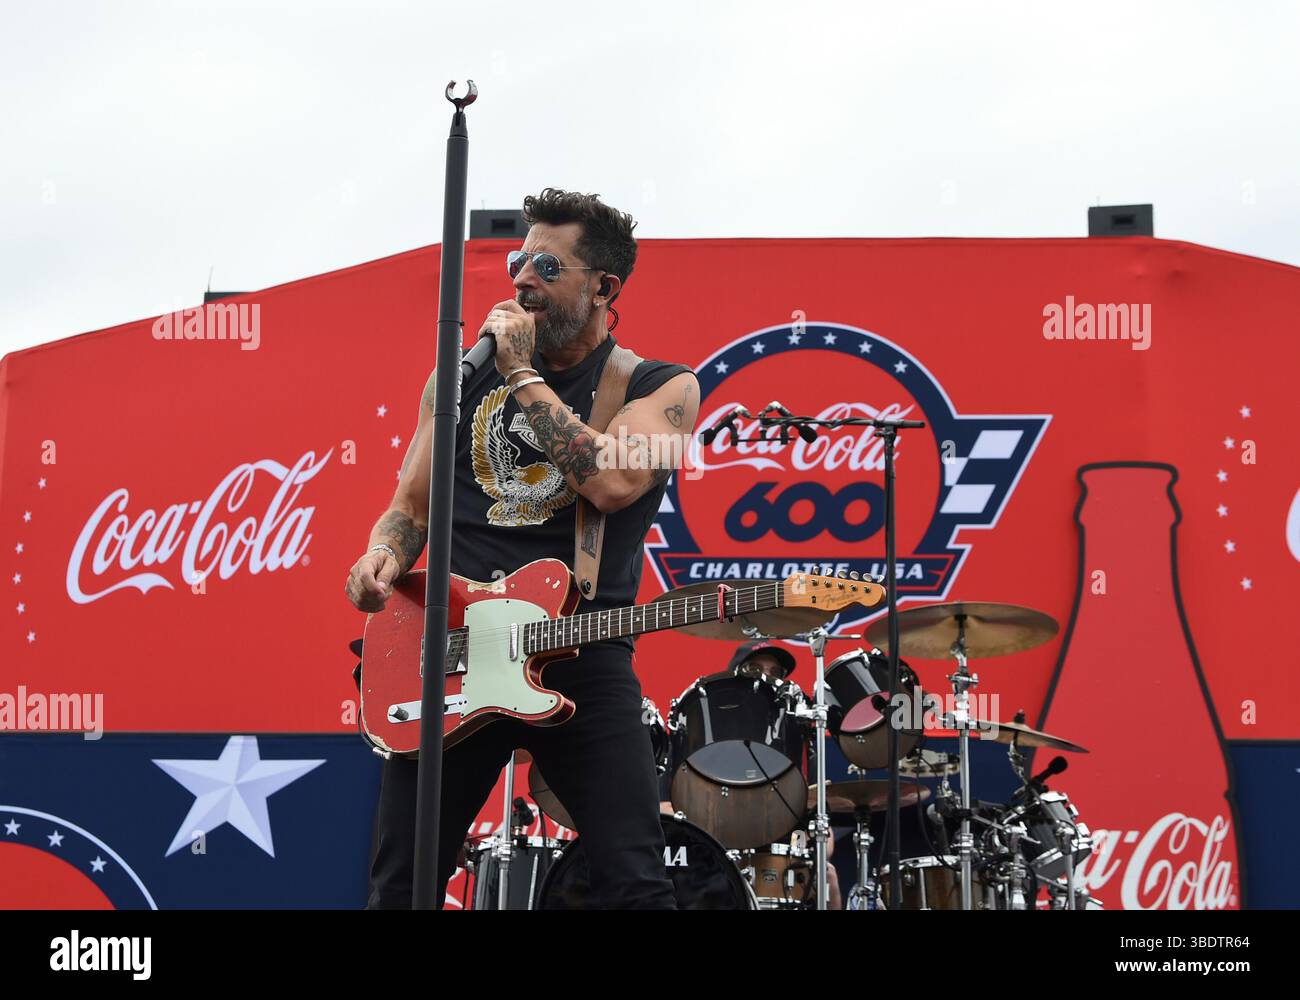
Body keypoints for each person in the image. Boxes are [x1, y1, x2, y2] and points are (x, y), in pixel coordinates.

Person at [345, 188, 700, 909]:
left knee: (637, 883)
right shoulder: (458, 380)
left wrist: (521, 375)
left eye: (546, 265)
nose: (521, 280)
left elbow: (609, 481)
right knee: (400, 887)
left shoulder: (664, 387)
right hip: (451, 649)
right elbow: (409, 508)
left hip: (579, 648)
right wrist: (382, 553)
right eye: (517, 261)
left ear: (605, 288)